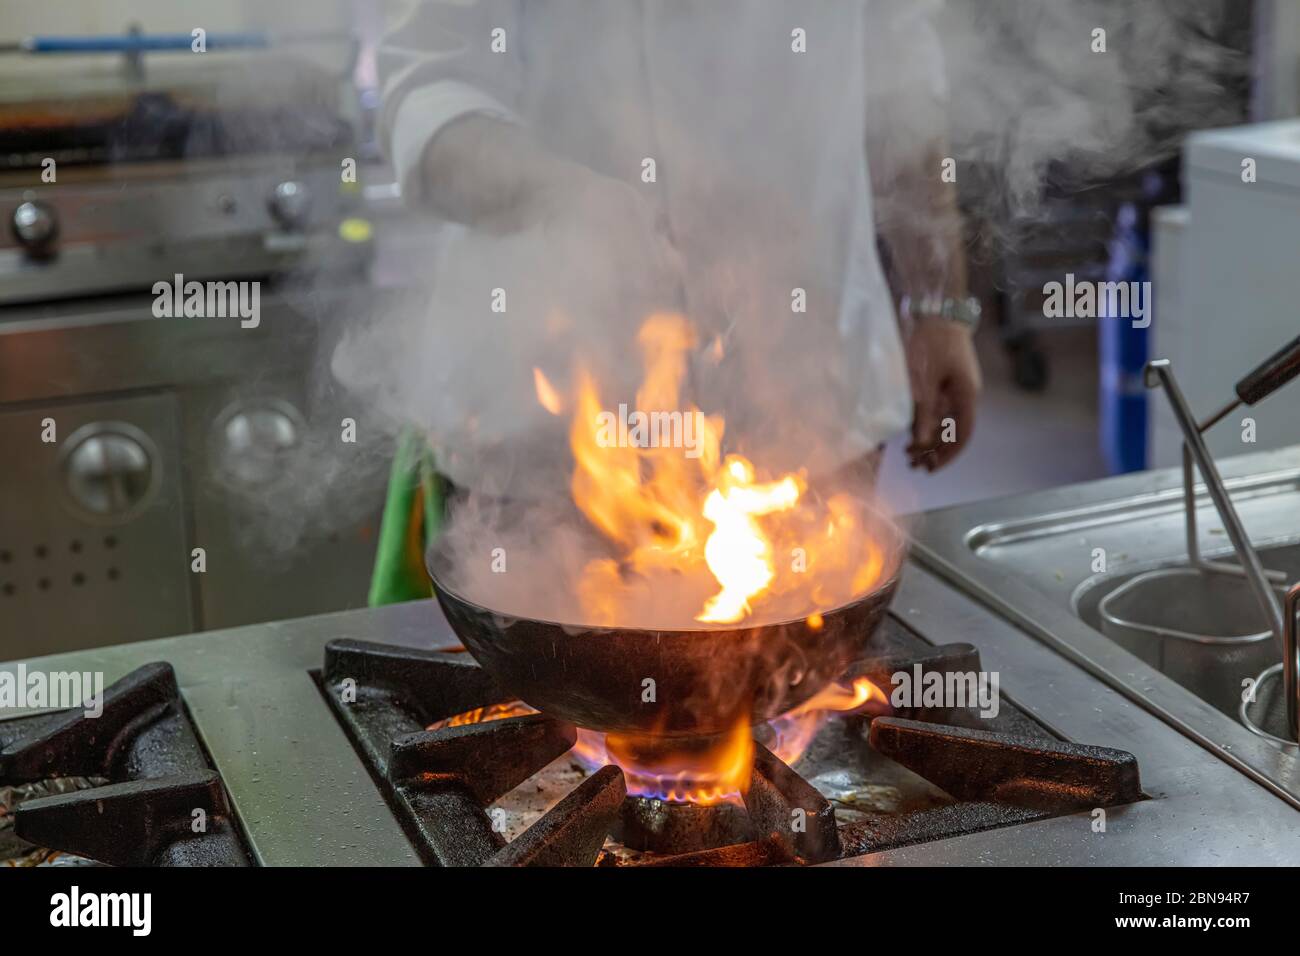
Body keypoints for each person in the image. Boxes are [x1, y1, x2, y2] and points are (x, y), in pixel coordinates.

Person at [369, 0, 981, 603]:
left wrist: (941, 306)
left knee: (794, 675)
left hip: (810, 384)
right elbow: (428, 92)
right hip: (548, 418)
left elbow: (903, 79)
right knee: (553, 682)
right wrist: (557, 197)